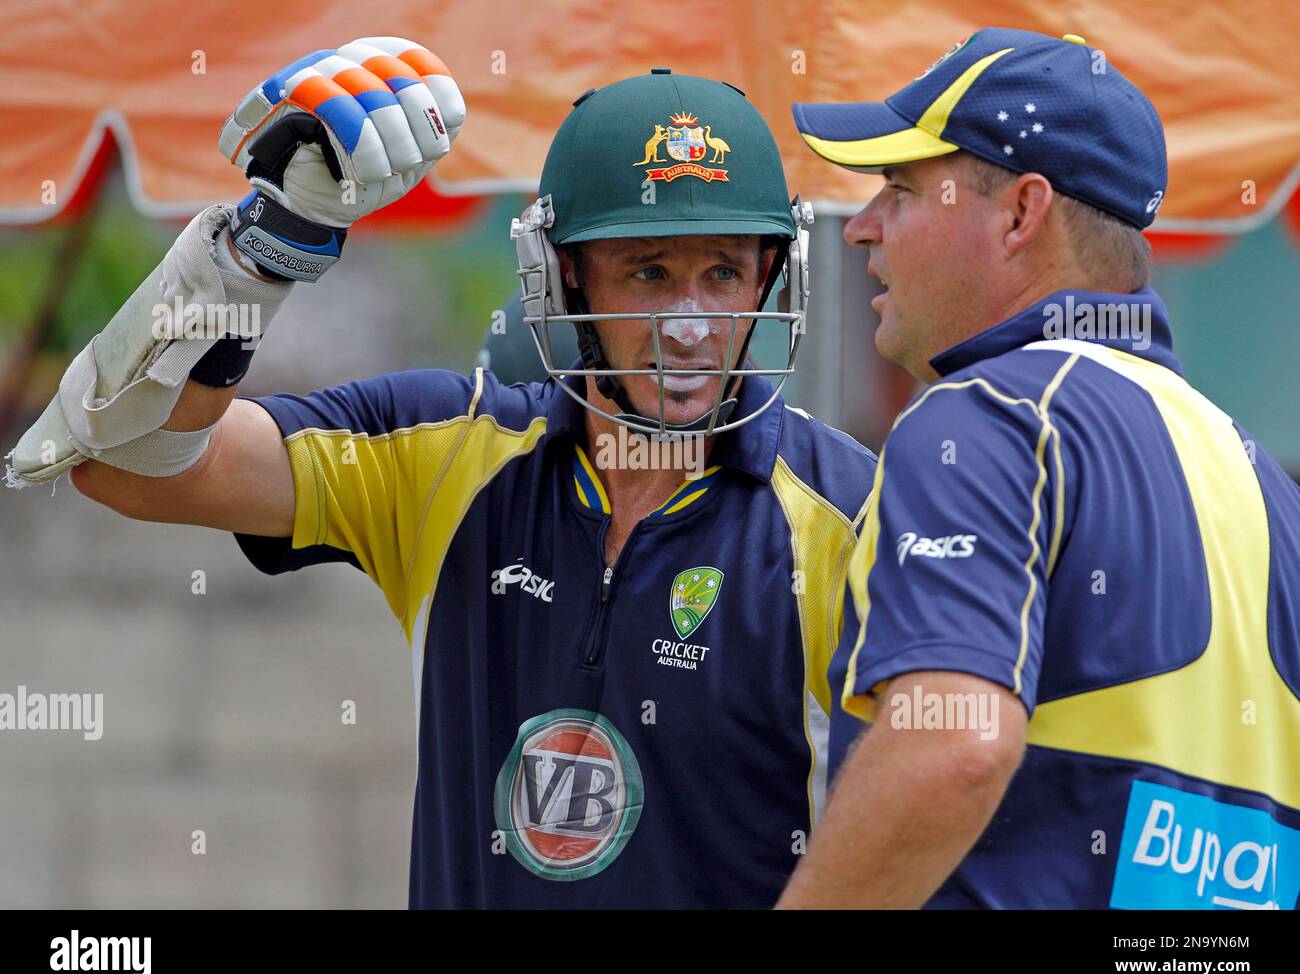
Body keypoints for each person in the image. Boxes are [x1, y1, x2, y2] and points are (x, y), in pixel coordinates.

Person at [9, 39, 877, 907]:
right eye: (648, 273)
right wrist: (262, 252)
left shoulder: (855, 511)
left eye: (722, 273)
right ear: (566, 275)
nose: (690, 326)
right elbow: (127, 465)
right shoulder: (447, 449)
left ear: (770, 276)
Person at [777, 27, 1300, 909]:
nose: (862, 227)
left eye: (900, 190)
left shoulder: (985, 418)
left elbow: (957, 743)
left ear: (1022, 213)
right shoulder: (1262, 479)